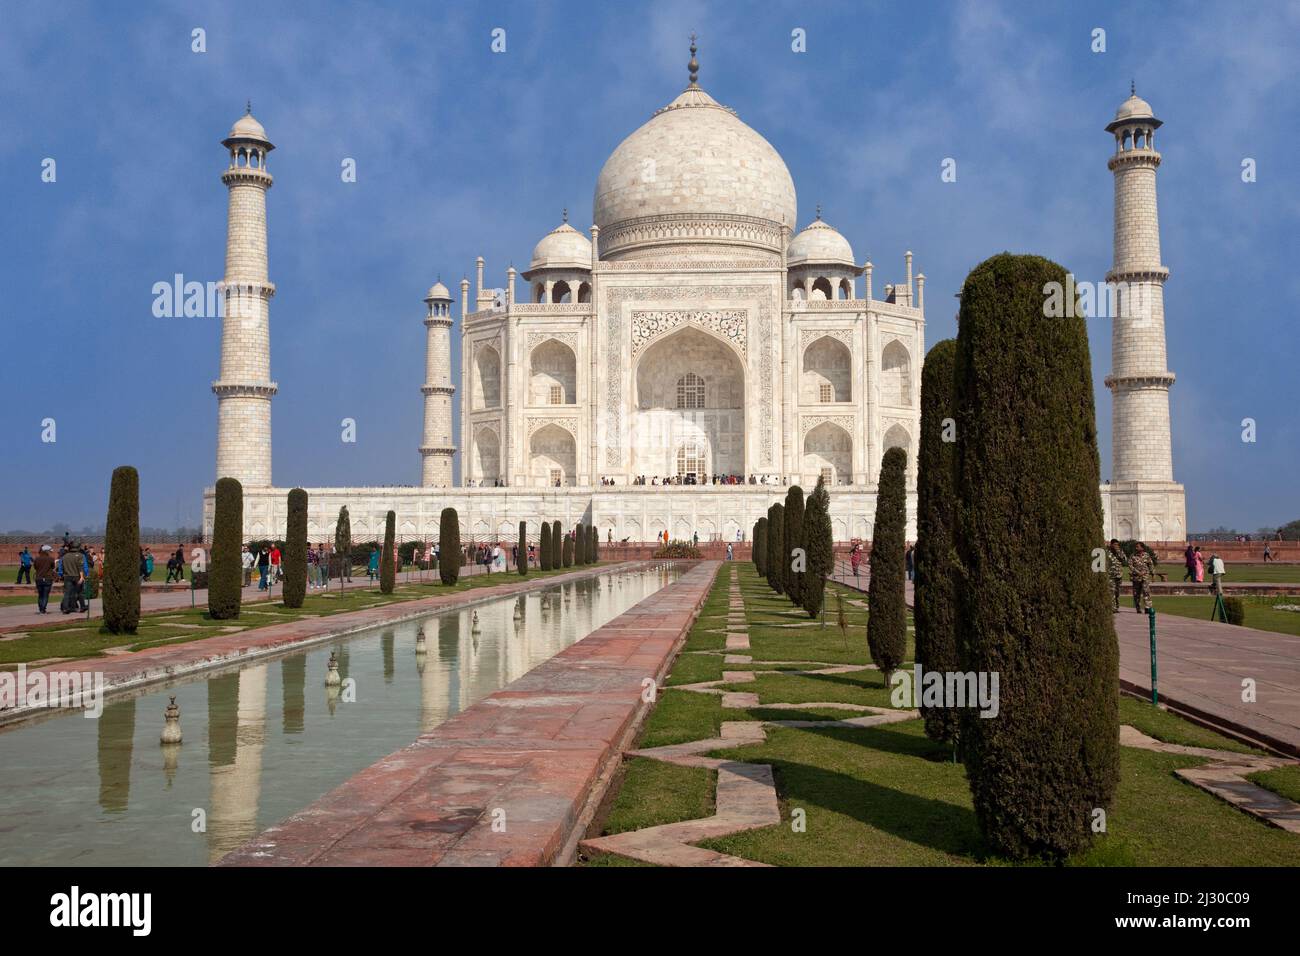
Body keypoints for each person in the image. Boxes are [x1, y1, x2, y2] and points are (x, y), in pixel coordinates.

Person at [1128, 541, 1153, 613]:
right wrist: (1138, 572)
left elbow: (1150, 564)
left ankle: (1147, 608)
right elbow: (1130, 565)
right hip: (1136, 577)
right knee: (1136, 594)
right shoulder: (1133, 556)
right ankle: (1138, 608)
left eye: (1138, 546)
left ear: (1142, 547)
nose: (1136, 548)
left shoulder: (1146, 555)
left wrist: (1153, 574)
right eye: (1136, 547)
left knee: (1146, 592)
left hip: (1145, 577)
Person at [60, 542, 84, 614]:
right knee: (79, 592)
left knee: (67, 593)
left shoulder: (64, 556)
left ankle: (65, 608)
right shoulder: (80, 555)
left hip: (67, 576)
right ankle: (82, 607)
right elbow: (80, 567)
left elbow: (62, 567)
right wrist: (82, 577)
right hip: (76, 576)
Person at [33, 545, 56, 614]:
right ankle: (43, 609)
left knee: (40, 595)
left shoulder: (37, 559)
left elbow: (35, 567)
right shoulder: (51, 559)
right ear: (47, 551)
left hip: (39, 578)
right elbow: (53, 567)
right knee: (45, 595)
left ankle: (41, 609)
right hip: (48, 578)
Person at [1107, 539, 1127, 613]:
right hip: (1110, 576)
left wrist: (1119, 552)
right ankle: (1113, 608)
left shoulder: (1120, 553)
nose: (1116, 546)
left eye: (1117, 545)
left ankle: (1117, 606)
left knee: (1117, 592)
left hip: (1118, 575)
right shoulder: (1107, 553)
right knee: (1111, 591)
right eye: (1115, 545)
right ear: (1111, 545)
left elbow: (1125, 560)